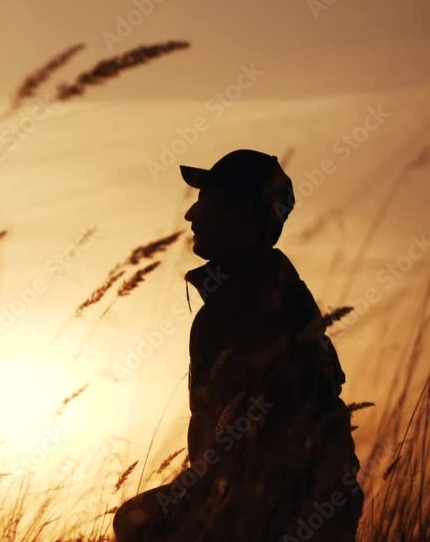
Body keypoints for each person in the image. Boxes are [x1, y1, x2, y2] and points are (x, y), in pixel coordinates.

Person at [113, 150, 363, 542]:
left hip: (272, 506)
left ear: (242, 214)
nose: (191, 215)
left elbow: (252, 450)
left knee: (135, 522)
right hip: (292, 502)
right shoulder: (268, 294)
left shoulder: (253, 305)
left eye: (205, 200)